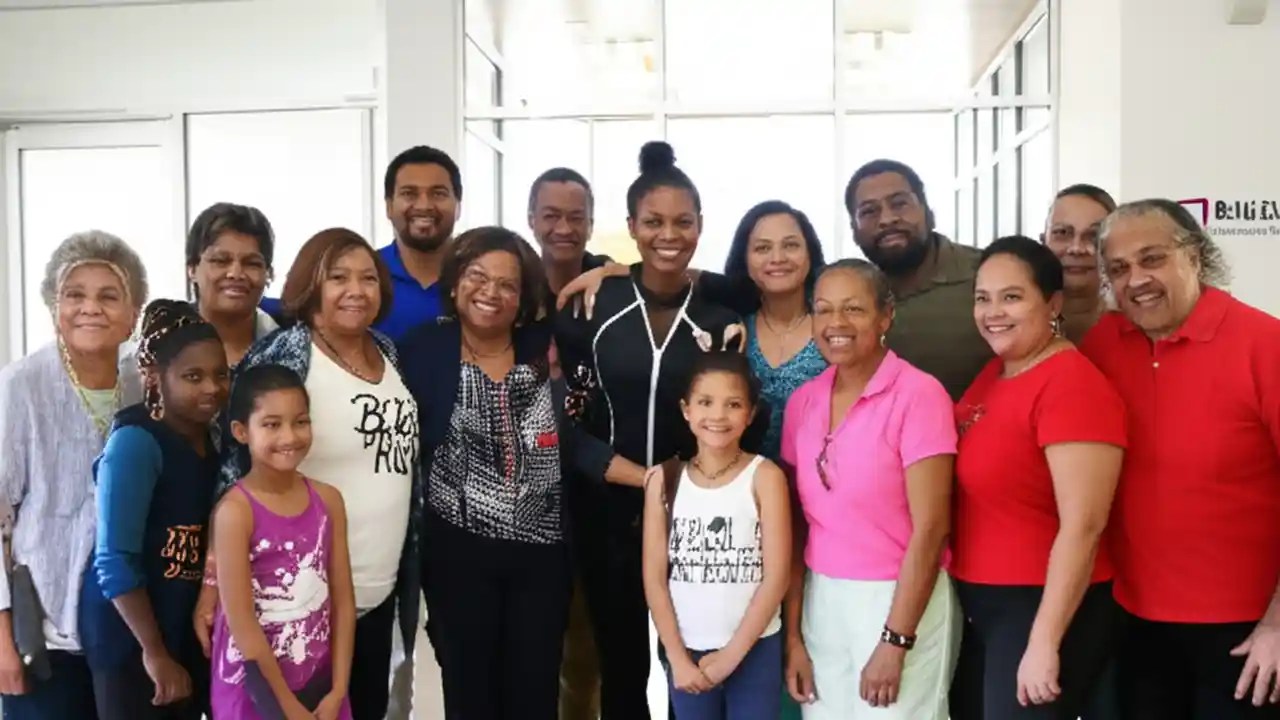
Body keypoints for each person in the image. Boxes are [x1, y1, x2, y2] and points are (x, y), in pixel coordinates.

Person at [399, 226, 634, 719]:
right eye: (477, 276)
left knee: (534, 696)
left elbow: (571, 442)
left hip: (542, 559)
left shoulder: (546, 346)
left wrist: (650, 478)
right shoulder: (423, 350)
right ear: (455, 280)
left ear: (525, 295)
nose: (491, 292)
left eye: (507, 284)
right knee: (470, 695)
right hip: (456, 553)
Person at [555, 140, 746, 719]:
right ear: (631, 226)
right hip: (607, 510)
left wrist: (681, 486)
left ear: (701, 226)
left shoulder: (723, 313)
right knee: (621, 669)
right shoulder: (592, 306)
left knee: (691, 659)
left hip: (695, 517)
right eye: (654, 222)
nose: (670, 234)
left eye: (683, 222)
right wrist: (642, 479)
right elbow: (565, 421)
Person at [1081, 200, 1280, 720]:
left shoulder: (1266, 345)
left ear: (1195, 256)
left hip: (1248, 635)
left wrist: (1279, 626)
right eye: (1119, 269)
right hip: (1134, 623)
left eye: (1153, 259)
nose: (1137, 280)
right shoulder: (1103, 344)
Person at [213, 228, 420, 720]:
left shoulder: (387, 351)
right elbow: (232, 467)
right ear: (312, 285)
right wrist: (211, 579)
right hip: (296, 598)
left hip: (375, 588)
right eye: (339, 277)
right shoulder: (288, 352)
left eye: (369, 278)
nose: (357, 289)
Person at [951, 236, 1125, 720]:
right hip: (985, 607)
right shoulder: (997, 371)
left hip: (1040, 608)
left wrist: (1044, 641)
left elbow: (1084, 526)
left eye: (1011, 297)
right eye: (982, 298)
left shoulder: (1072, 384)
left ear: (1052, 303)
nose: (993, 312)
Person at [780, 259, 960, 719]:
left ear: (886, 316)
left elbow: (932, 527)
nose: (836, 324)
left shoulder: (919, 395)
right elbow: (797, 527)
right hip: (823, 599)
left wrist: (896, 639)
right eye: (823, 310)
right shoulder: (803, 401)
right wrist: (795, 636)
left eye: (854, 309)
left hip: (897, 599)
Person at [0, 231, 148, 718]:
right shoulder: (20, 385)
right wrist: (2, 640)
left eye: (109, 296)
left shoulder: (143, 382)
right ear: (53, 306)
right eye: (74, 294)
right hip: (45, 635)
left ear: (133, 314)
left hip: (128, 629)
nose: (91, 308)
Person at [81, 301, 229, 719]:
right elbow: (114, 560)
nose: (211, 388)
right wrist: (155, 653)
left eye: (220, 375)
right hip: (131, 638)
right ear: (154, 378)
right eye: (193, 377)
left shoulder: (215, 440)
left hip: (180, 624)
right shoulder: (135, 442)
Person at [526, 166, 629, 720]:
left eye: (576, 216)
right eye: (551, 215)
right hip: (522, 491)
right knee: (532, 646)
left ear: (591, 223)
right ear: (531, 220)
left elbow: (672, 279)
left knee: (586, 651)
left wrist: (614, 270)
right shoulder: (512, 281)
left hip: (595, 485)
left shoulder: (612, 285)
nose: (563, 227)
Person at [642, 351, 791, 720]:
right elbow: (654, 577)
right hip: (685, 650)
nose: (718, 416)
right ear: (686, 409)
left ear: (751, 413)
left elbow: (776, 577)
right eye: (705, 402)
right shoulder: (664, 479)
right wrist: (676, 657)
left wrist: (730, 656)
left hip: (755, 648)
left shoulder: (765, 477)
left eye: (733, 404)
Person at [210, 363, 354, 720]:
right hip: (253, 693)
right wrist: (287, 708)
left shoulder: (329, 501)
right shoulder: (235, 512)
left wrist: (338, 689)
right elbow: (242, 623)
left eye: (300, 421)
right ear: (242, 431)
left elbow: (343, 603)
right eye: (272, 425)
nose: (290, 437)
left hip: (320, 685)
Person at [186, 202, 279, 366]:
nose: (236, 274)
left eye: (252, 263)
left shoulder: (290, 350)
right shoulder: (157, 350)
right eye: (221, 261)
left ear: (268, 274)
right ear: (192, 270)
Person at [1040, 185, 1117, 344]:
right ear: (1043, 242)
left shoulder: (1140, 325)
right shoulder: (1012, 324)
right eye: (1062, 233)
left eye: (1093, 235)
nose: (1076, 248)